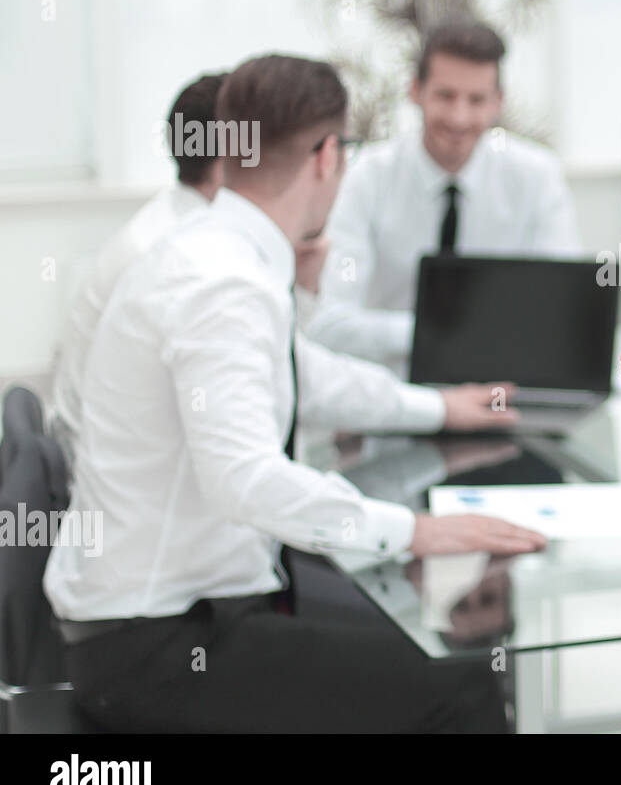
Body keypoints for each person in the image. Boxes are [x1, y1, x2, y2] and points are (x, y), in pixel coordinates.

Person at [43, 53, 546, 733]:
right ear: (327, 157)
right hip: (157, 643)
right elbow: (244, 479)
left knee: (398, 627)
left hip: (164, 608)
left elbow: (304, 372)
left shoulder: (211, 252)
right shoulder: (224, 283)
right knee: (463, 681)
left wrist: (439, 406)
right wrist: (416, 530)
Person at [306, 19, 584, 373]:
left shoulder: (537, 176)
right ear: (415, 91)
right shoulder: (367, 177)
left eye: (476, 100)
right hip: (391, 396)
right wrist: (439, 333)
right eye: (445, 96)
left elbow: (560, 311)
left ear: (498, 102)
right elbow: (328, 321)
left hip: (502, 389)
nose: (459, 117)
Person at [48, 72, 227, 464]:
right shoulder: (181, 255)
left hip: (92, 449)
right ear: (225, 160)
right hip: (106, 472)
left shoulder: (172, 221)